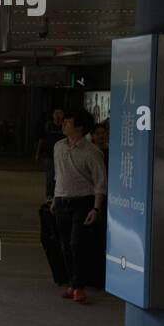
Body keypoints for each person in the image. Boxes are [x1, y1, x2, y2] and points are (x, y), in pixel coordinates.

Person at [51, 109, 107, 303]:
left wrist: (96, 208)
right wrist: (54, 199)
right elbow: (58, 176)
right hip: (61, 201)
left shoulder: (93, 152)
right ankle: (72, 284)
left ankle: (79, 286)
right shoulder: (58, 147)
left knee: (77, 244)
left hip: (83, 202)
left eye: (68, 121)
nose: (63, 124)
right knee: (65, 245)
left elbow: (100, 182)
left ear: (80, 127)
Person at [35, 108, 65, 198]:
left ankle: (59, 195)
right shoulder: (48, 126)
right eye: (56, 113)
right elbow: (41, 140)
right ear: (53, 115)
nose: (58, 115)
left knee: (62, 176)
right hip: (49, 154)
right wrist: (37, 153)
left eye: (60, 113)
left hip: (63, 156)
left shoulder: (65, 126)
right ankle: (49, 196)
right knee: (51, 175)